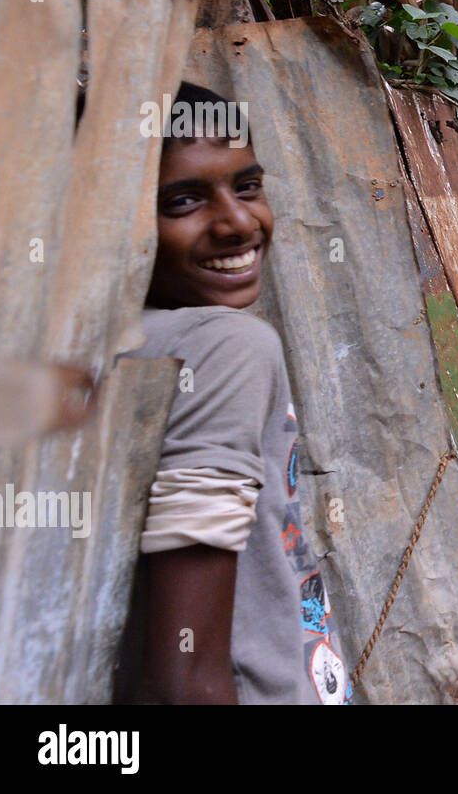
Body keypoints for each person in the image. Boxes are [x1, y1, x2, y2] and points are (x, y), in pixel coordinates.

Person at [119, 83, 350, 704]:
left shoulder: (108, 346)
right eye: (184, 201)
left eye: (247, 186)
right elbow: (184, 678)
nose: (240, 222)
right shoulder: (224, 347)